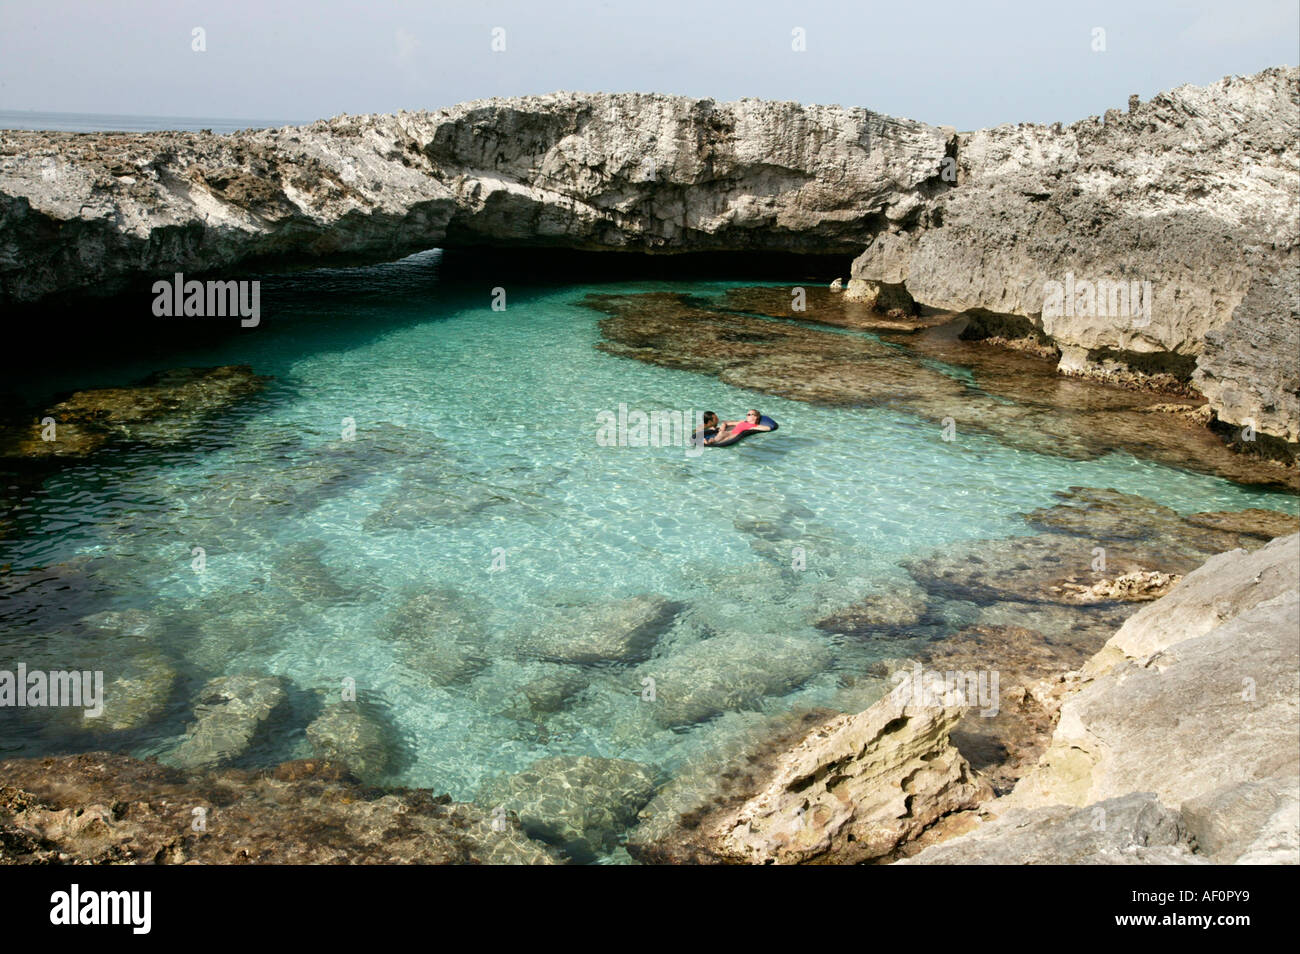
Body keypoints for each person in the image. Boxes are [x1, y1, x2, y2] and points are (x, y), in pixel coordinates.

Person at [707, 409, 777, 446]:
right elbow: (727, 422)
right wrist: (721, 427)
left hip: (732, 436)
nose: (747, 415)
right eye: (747, 414)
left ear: (755, 417)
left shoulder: (754, 426)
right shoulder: (743, 422)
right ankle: (710, 441)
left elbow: (768, 428)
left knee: (720, 435)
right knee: (721, 432)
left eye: (749, 414)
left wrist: (755, 427)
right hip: (727, 432)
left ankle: (710, 442)